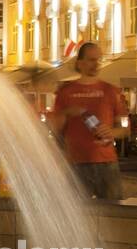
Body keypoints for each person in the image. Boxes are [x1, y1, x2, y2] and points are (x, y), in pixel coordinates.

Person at [47, 41, 129, 200]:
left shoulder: (110, 91)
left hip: (106, 162)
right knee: (79, 211)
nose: (96, 64)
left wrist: (111, 132)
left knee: (114, 210)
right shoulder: (66, 92)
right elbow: (55, 127)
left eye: (98, 60)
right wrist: (67, 112)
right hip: (77, 164)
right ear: (80, 63)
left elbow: (125, 129)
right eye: (91, 60)